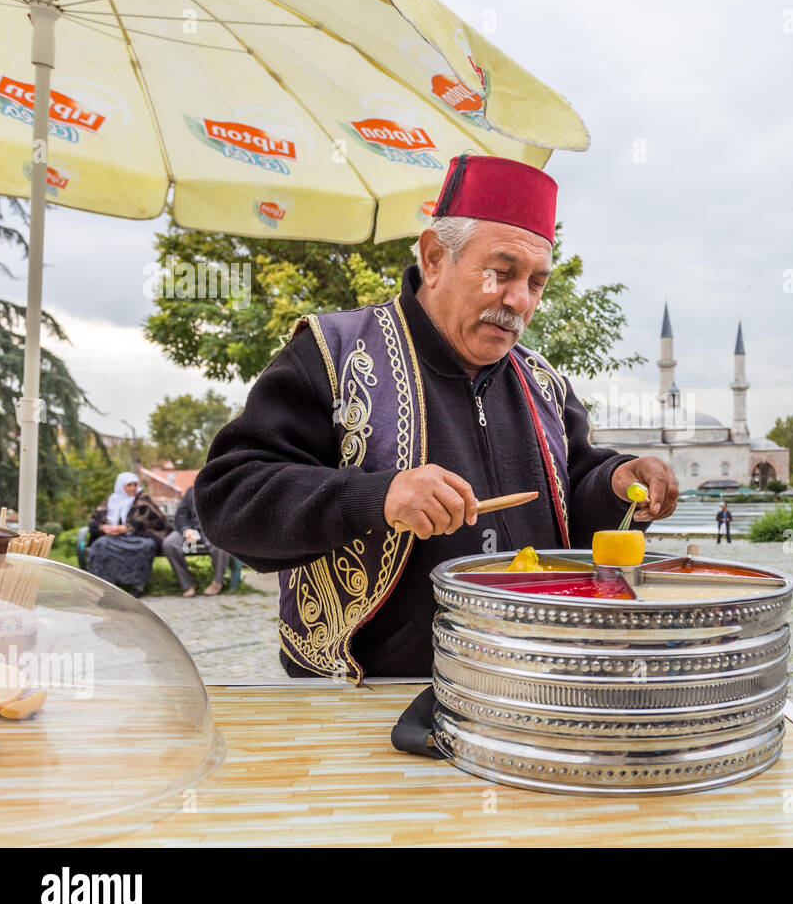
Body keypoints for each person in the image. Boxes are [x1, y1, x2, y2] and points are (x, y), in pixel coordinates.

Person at [196, 154, 679, 682]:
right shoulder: (333, 355)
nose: (518, 300)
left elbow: (572, 500)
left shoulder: (545, 383)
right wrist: (377, 497)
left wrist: (615, 483)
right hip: (368, 697)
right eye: (500, 272)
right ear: (433, 258)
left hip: (529, 689)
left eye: (536, 282)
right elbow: (229, 499)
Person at [85, 472, 172, 595]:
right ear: (121, 486)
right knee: (100, 546)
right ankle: (105, 585)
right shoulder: (111, 500)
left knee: (146, 546)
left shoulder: (142, 498)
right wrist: (104, 528)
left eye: (135, 485)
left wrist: (125, 528)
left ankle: (137, 586)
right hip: (115, 538)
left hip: (141, 536)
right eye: (129, 485)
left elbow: (146, 519)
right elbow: (94, 520)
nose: (132, 488)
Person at [163, 484, 230, 597]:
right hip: (190, 527)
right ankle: (187, 584)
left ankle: (217, 582)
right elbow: (181, 514)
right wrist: (186, 529)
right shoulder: (191, 490)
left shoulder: (221, 489)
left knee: (220, 544)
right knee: (169, 544)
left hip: (210, 528)